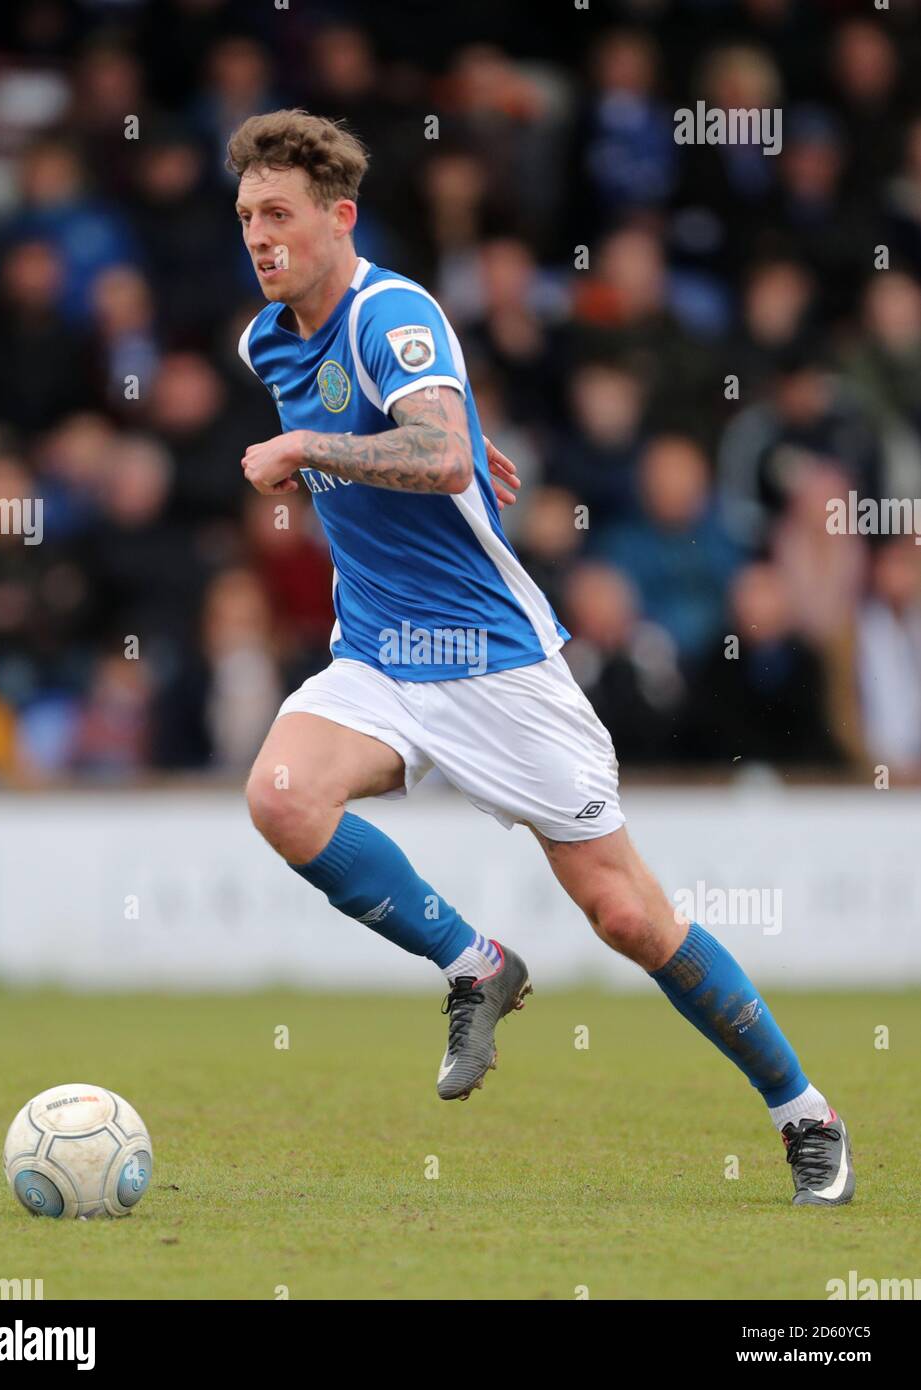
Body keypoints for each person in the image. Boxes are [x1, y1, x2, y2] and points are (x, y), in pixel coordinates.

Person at [233, 109, 853, 1205]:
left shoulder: (395, 310)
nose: (259, 236)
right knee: (281, 796)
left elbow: (424, 443)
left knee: (626, 915)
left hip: (492, 664)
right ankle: (475, 962)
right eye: (245, 218)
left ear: (341, 218)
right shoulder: (266, 337)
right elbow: (431, 442)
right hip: (378, 655)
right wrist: (452, 447)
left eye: (278, 214)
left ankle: (805, 1111)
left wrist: (348, 447)